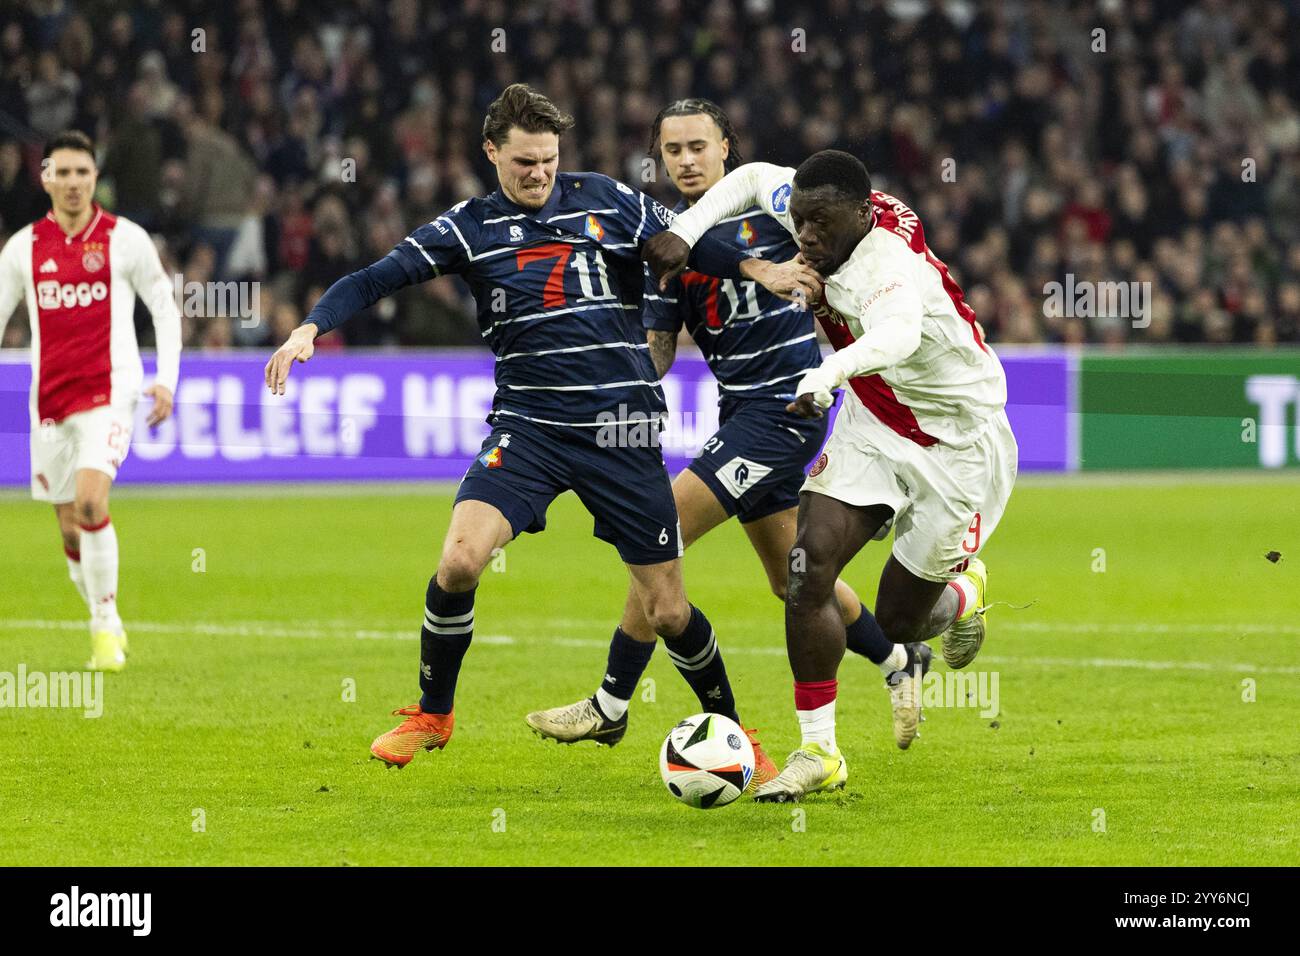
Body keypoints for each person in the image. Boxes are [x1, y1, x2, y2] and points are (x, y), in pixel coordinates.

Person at [264, 85, 820, 778]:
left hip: (621, 430)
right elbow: (379, 276)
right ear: (491, 151)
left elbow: (683, 246)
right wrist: (310, 328)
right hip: (529, 427)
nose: (538, 174)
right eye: (524, 162)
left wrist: (752, 265)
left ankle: (737, 735)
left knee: (668, 608)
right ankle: (432, 714)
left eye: (549, 160)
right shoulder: (467, 227)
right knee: (461, 559)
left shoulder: (606, 198)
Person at [526, 100, 932, 751]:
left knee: (662, 527)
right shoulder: (672, 244)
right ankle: (899, 662)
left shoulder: (784, 217)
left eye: (698, 147)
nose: (685, 160)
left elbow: (862, 265)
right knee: (792, 580)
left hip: (788, 409)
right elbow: (658, 355)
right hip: (740, 415)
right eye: (673, 151)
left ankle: (611, 701)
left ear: (727, 148)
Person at [646, 151, 1017, 801]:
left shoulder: (887, 266)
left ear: (861, 212)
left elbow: (897, 337)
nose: (806, 235)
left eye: (820, 222)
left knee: (902, 621)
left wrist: (824, 375)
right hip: (874, 423)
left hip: (960, 442)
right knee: (806, 567)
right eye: (800, 220)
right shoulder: (813, 214)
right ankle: (819, 751)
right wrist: (687, 228)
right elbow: (756, 177)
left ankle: (964, 594)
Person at [0, 130, 182, 671]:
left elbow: (164, 308)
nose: (74, 182)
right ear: (46, 177)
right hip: (50, 402)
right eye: (64, 172)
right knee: (68, 527)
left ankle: (104, 624)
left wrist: (166, 378)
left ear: (95, 178)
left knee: (89, 503)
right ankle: (105, 614)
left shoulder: (125, 239)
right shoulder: (23, 249)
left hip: (111, 393)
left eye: (84, 172)